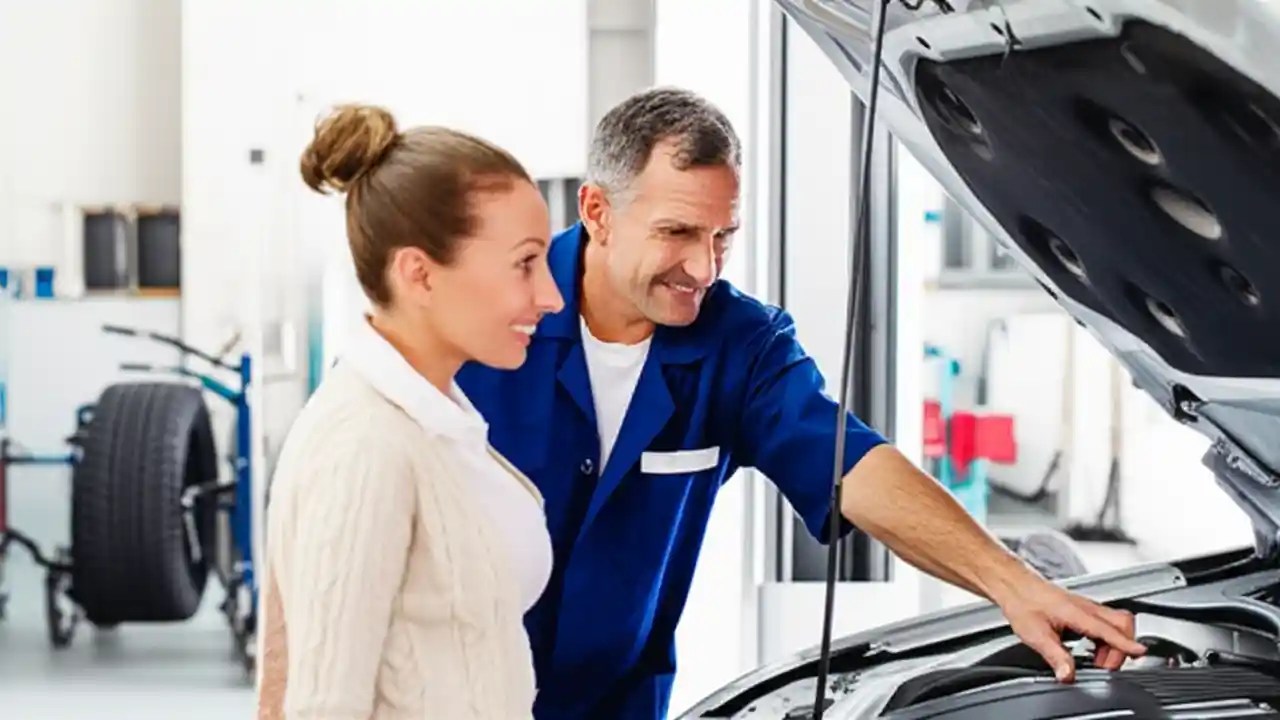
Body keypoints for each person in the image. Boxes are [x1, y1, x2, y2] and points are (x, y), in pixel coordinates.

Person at [455, 87, 1148, 720]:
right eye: (677, 233)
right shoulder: (473, 315)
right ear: (598, 213)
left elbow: (851, 463)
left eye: (722, 236)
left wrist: (1013, 585)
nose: (704, 268)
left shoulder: (739, 343)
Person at [257, 103, 564, 719]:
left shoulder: (436, 420)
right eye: (525, 264)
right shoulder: (364, 447)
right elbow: (322, 707)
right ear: (419, 275)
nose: (551, 297)